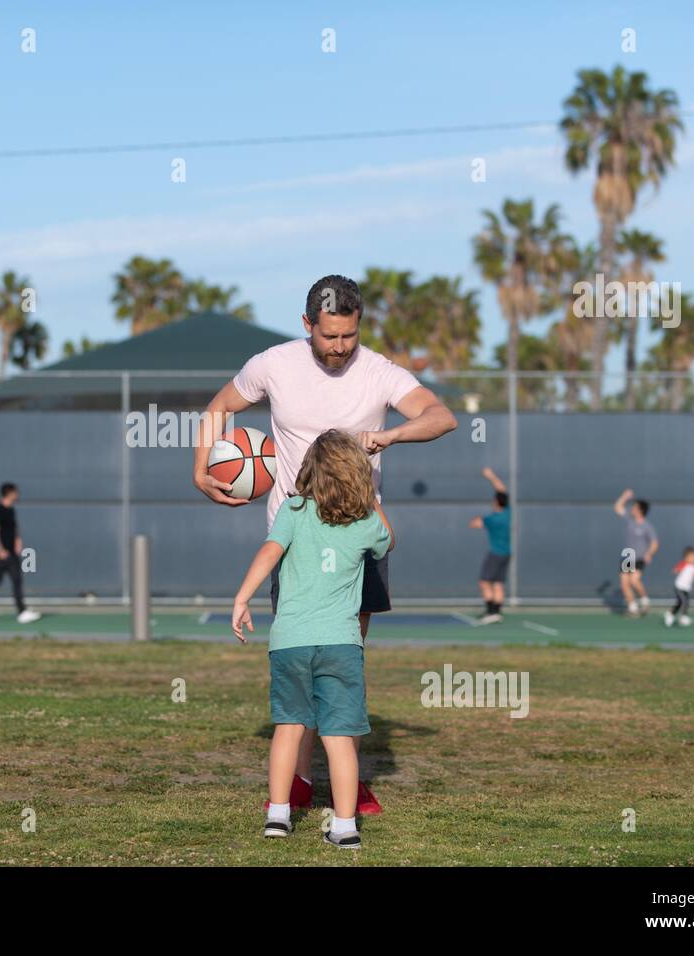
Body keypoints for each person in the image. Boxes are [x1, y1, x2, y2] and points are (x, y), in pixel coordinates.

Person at [194, 274, 457, 815]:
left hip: (359, 543)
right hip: (294, 540)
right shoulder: (273, 364)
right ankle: (296, 785)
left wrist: (391, 435)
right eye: (329, 336)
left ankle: (347, 784)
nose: (339, 348)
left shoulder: (380, 372)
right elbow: (218, 408)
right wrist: (201, 470)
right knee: (299, 661)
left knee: (346, 664)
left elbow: (441, 416)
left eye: (349, 337)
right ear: (307, 324)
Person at [232, 430, 393, 848]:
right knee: (339, 738)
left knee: (288, 727)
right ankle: (344, 827)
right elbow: (389, 541)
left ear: (308, 472)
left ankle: (279, 815)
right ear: (358, 476)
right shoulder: (366, 522)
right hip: (340, 643)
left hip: (290, 643)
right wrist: (371, 497)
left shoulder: (292, 509)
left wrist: (242, 597)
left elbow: (269, 551)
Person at [0, 482, 42, 624]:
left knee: (17, 581)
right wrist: (0, 550)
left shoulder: (11, 510)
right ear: (9, 493)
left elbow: (14, 527)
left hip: (12, 554)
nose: (18, 495)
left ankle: (22, 612)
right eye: (16, 492)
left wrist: (18, 540)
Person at [468, 467, 511, 624]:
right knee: (498, 583)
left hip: (495, 553)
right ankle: (497, 612)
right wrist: (492, 476)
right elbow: (502, 489)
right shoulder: (508, 513)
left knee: (484, 581)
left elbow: (474, 524)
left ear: (496, 502)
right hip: (506, 553)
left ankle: (491, 612)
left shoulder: (493, 519)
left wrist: (478, 519)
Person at [614, 489, 658, 617]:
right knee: (624, 583)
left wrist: (649, 553)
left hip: (639, 557)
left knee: (634, 580)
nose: (632, 508)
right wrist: (624, 496)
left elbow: (655, 542)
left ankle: (645, 601)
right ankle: (632, 607)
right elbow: (617, 508)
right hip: (628, 555)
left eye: (634, 507)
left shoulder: (647, 526)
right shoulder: (629, 520)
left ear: (640, 511)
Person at [665, 546, 694, 627]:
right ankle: (684, 616)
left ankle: (670, 614)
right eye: (692, 556)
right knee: (685, 601)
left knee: (680, 603)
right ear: (686, 557)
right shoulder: (684, 564)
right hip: (679, 587)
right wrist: (676, 570)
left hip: (686, 588)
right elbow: (675, 569)